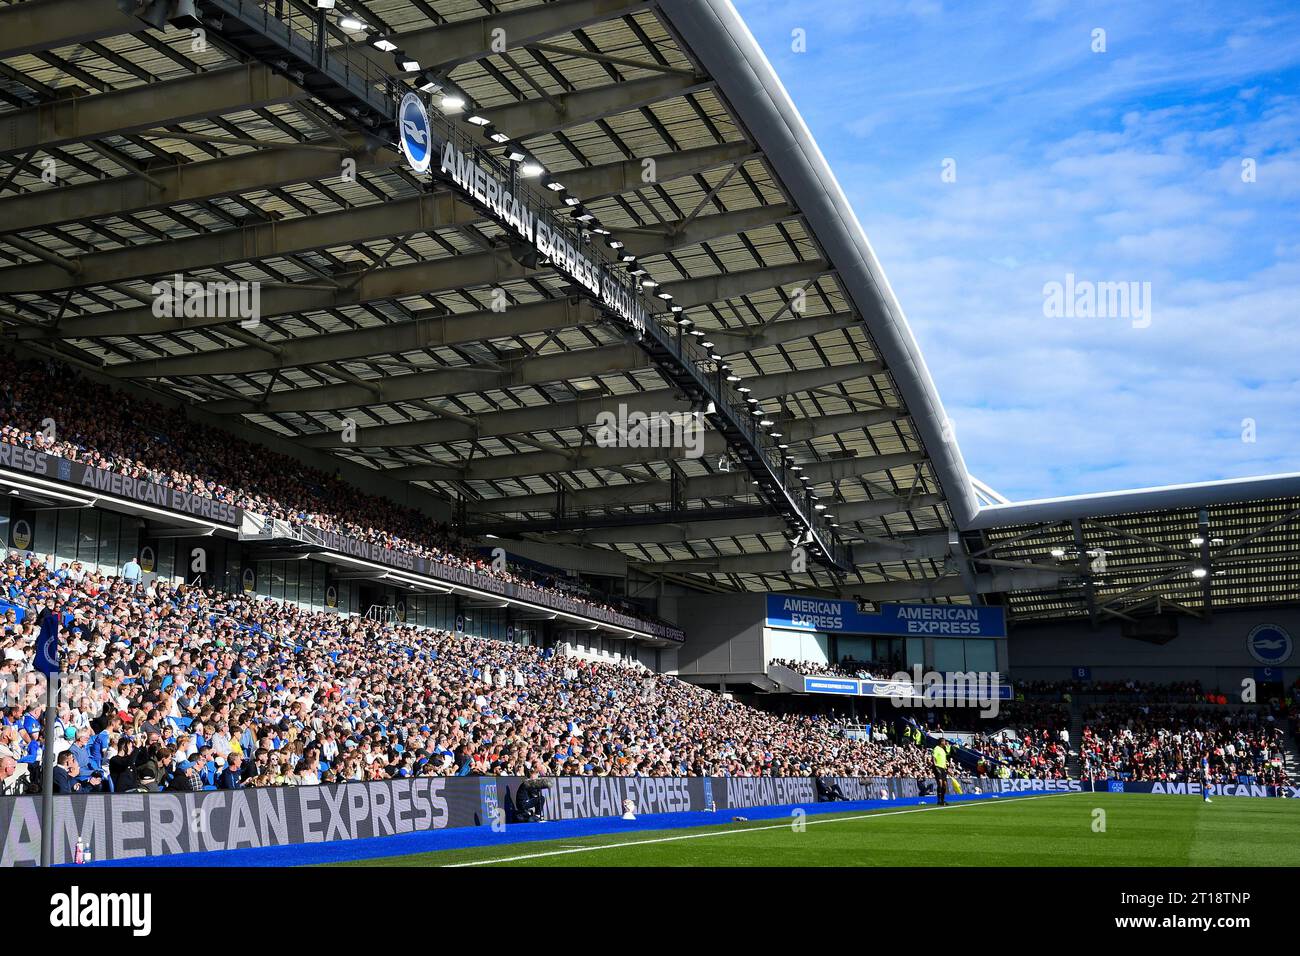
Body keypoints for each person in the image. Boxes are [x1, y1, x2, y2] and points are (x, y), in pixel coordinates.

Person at [932, 736, 950, 806]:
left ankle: (943, 800)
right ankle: (939, 800)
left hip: (943, 768)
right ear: (941, 742)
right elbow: (934, 757)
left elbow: (944, 758)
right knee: (940, 783)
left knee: (944, 784)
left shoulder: (943, 750)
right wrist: (935, 765)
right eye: (944, 741)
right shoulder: (936, 748)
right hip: (937, 767)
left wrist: (946, 765)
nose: (945, 742)